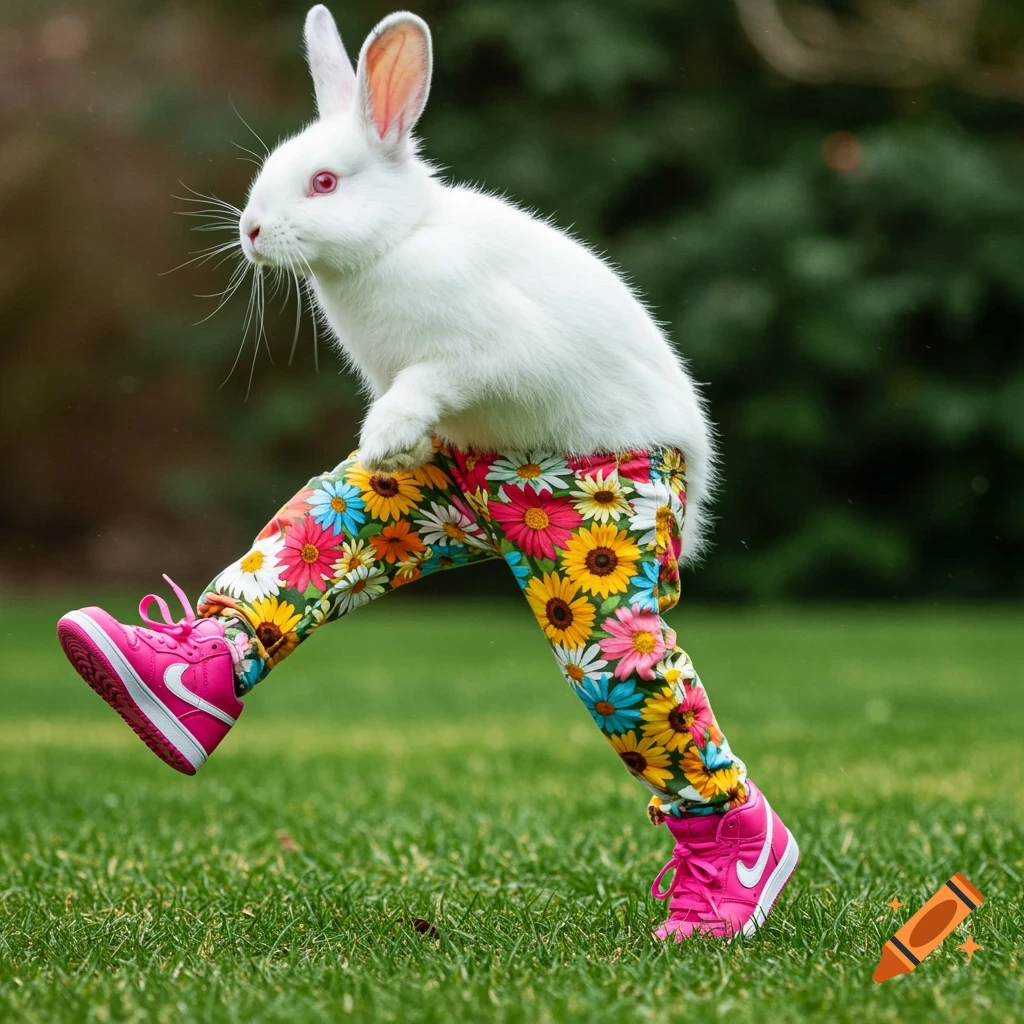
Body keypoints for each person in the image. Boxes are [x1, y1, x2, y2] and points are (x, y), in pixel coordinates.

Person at [57, 5, 798, 941]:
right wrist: (419, 409)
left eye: (322, 185)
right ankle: (205, 666)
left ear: (386, 149)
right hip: (473, 456)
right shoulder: (350, 282)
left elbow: (514, 353)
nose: (260, 224)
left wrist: (421, 396)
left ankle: (730, 832)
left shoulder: (446, 244)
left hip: (603, 461)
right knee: (334, 517)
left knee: (611, 660)